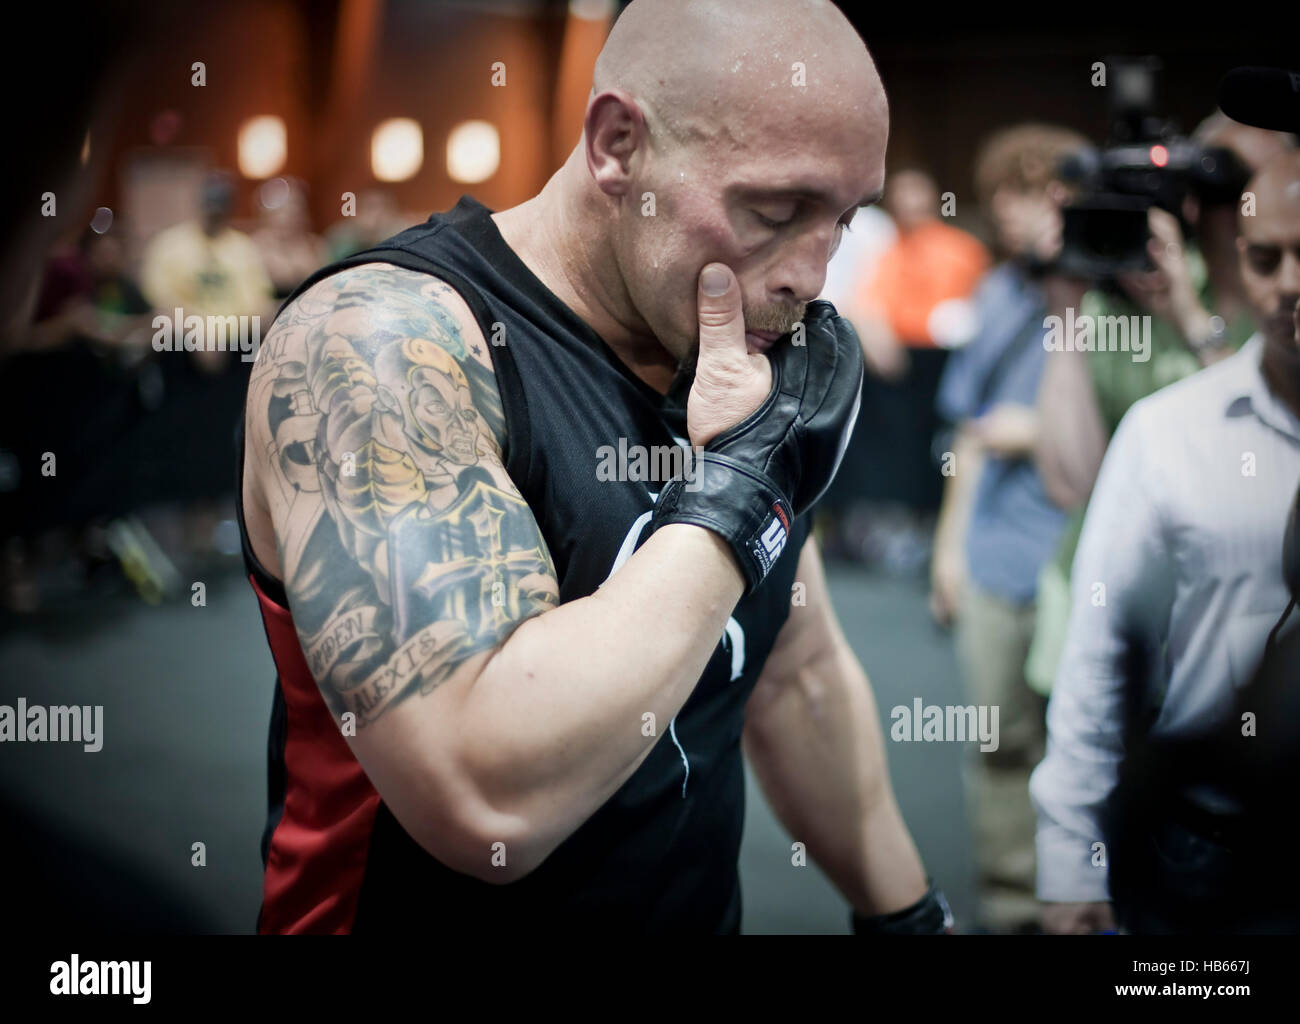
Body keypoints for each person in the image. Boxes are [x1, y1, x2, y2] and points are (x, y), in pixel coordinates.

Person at [238, 0, 950, 934]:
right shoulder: (384, 346)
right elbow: (487, 797)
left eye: (842, 222)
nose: (811, 278)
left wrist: (909, 920)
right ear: (618, 145)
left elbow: (794, 672)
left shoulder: (731, 356)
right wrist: (747, 486)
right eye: (774, 212)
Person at [1030, 150, 1300, 934]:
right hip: (1209, 847)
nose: (1288, 284)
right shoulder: (1168, 431)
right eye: (1265, 258)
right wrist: (1070, 857)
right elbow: (1098, 651)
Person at [929, 123, 1090, 933]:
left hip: (1083, 558)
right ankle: (1013, 903)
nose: (1024, 213)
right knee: (996, 741)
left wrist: (1043, 429)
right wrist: (948, 550)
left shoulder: (1117, 295)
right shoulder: (995, 297)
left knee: (1084, 746)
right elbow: (967, 431)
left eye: (1041, 191)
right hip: (996, 554)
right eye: (1009, 198)